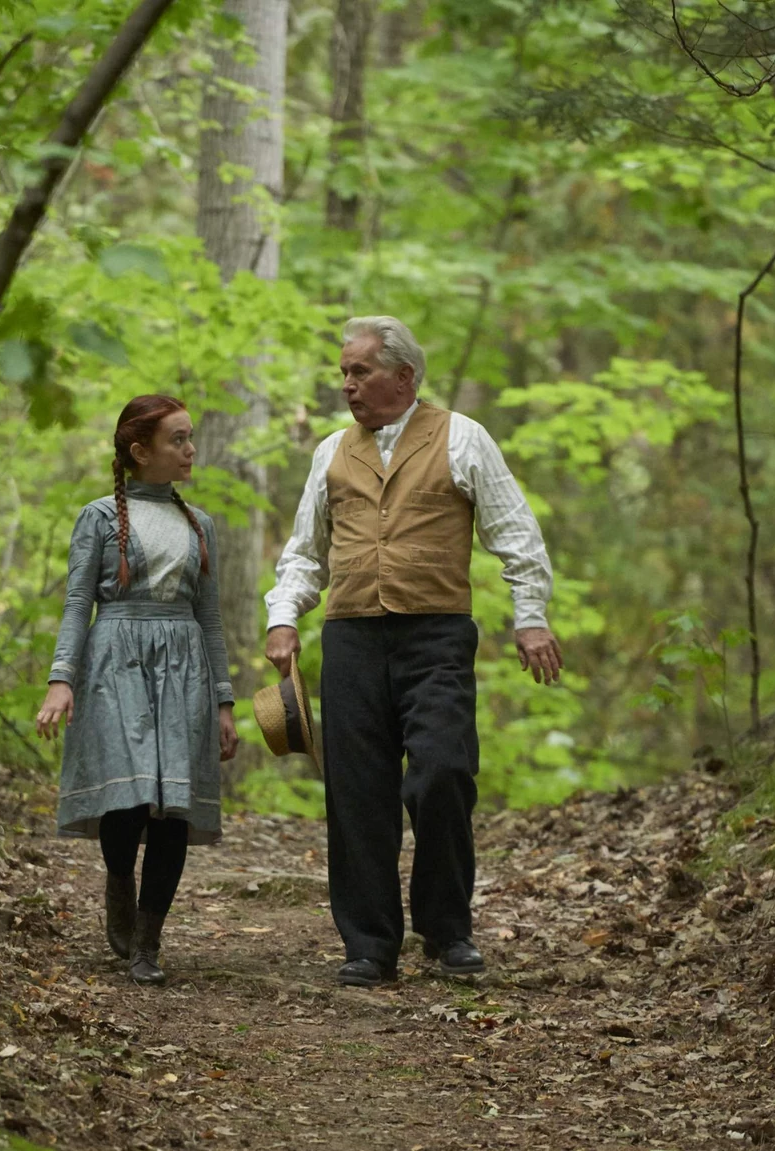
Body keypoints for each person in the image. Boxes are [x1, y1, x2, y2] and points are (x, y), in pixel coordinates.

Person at [265, 317, 561, 987]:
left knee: (443, 772)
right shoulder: (331, 452)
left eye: (359, 372)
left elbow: (515, 531)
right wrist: (284, 618)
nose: (347, 385)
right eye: (343, 373)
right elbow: (305, 550)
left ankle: (446, 928)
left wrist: (532, 618)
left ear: (404, 376)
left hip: (436, 635)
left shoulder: (464, 437)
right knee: (357, 793)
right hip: (351, 639)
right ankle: (370, 943)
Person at [36, 395, 240, 985]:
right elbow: (79, 604)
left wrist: (224, 700)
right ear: (139, 450)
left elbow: (211, 617)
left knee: (172, 809)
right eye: (177, 439)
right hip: (116, 664)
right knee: (126, 800)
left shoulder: (198, 524)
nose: (190, 449)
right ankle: (119, 883)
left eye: (190, 437)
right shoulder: (99, 517)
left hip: (185, 668)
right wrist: (60, 680)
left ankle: (148, 940)